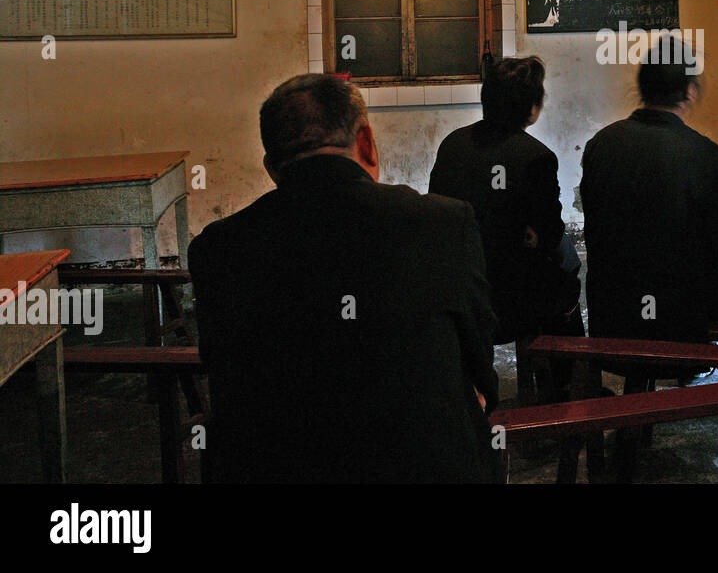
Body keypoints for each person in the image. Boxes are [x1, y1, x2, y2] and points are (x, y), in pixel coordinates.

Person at [190, 74, 500, 483]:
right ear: (367, 142)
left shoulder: (218, 247)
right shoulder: (442, 222)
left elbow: (224, 369)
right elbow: (478, 352)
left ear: (271, 168)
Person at [580, 34, 718, 346]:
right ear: (689, 91)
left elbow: (595, 233)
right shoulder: (708, 156)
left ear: (643, 89)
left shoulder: (600, 145)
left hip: (613, 318)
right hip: (684, 322)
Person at [428, 55, 583, 348]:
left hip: (456, 287)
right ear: (532, 108)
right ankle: (565, 381)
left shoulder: (453, 144)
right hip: (511, 300)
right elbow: (548, 235)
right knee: (569, 269)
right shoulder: (536, 157)